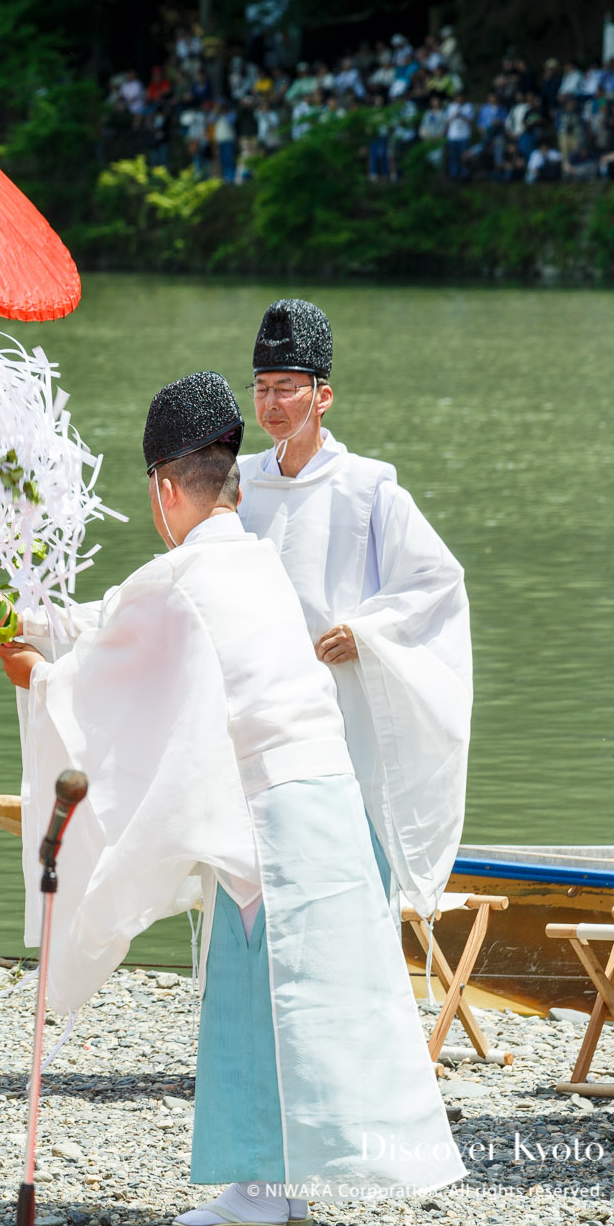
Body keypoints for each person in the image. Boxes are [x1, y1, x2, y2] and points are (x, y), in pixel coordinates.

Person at [0, 373, 459, 1226]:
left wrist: (33, 674)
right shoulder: (254, 560)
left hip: (270, 817)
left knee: (260, 1001)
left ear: (164, 489)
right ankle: (285, 1184)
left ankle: (261, 1189)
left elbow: (101, 668)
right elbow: (116, 622)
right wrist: (33, 620)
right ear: (231, 483)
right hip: (326, 797)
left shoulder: (180, 578)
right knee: (317, 1005)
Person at [237, 301, 470, 919]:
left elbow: (436, 580)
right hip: (263, 699)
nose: (271, 403)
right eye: (261, 388)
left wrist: (366, 633)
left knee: (347, 856)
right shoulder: (240, 484)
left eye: (287, 388)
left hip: (340, 695)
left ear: (323, 396)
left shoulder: (368, 487)